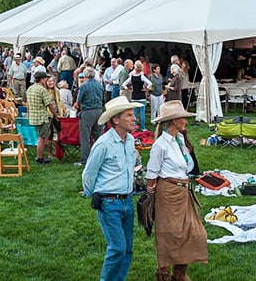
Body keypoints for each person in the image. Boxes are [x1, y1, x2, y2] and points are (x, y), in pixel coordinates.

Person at [146, 100, 208, 281]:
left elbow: (189, 165)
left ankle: (179, 273)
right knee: (168, 233)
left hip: (183, 191)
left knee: (193, 232)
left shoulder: (179, 139)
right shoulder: (160, 145)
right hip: (168, 192)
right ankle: (163, 274)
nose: (186, 121)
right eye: (183, 118)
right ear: (174, 121)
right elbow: (152, 172)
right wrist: (151, 192)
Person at [82, 96, 140, 281]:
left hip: (127, 201)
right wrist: (95, 194)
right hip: (109, 203)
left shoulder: (130, 140)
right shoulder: (103, 144)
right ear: (116, 119)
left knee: (127, 249)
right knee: (118, 248)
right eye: (129, 115)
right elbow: (88, 174)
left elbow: (131, 165)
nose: (134, 118)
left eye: (133, 114)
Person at [75, 66, 105, 166]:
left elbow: (78, 101)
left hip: (87, 112)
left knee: (85, 137)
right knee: (99, 136)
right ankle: (101, 157)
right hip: (99, 111)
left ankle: (86, 160)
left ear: (86, 76)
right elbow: (103, 99)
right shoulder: (100, 85)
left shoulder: (84, 86)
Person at [26, 71, 57, 165]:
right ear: (42, 79)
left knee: (44, 135)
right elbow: (50, 105)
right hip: (41, 117)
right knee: (42, 138)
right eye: (45, 78)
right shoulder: (42, 90)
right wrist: (55, 114)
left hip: (33, 116)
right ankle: (39, 157)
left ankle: (40, 156)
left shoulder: (30, 88)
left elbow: (28, 104)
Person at [122, 60, 152, 131]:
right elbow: (150, 83)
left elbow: (124, 84)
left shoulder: (131, 76)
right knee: (142, 113)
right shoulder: (142, 76)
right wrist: (146, 89)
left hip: (134, 96)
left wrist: (128, 89)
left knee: (134, 113)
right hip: (142, 96)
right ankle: (143, 127)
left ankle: (134, 126)